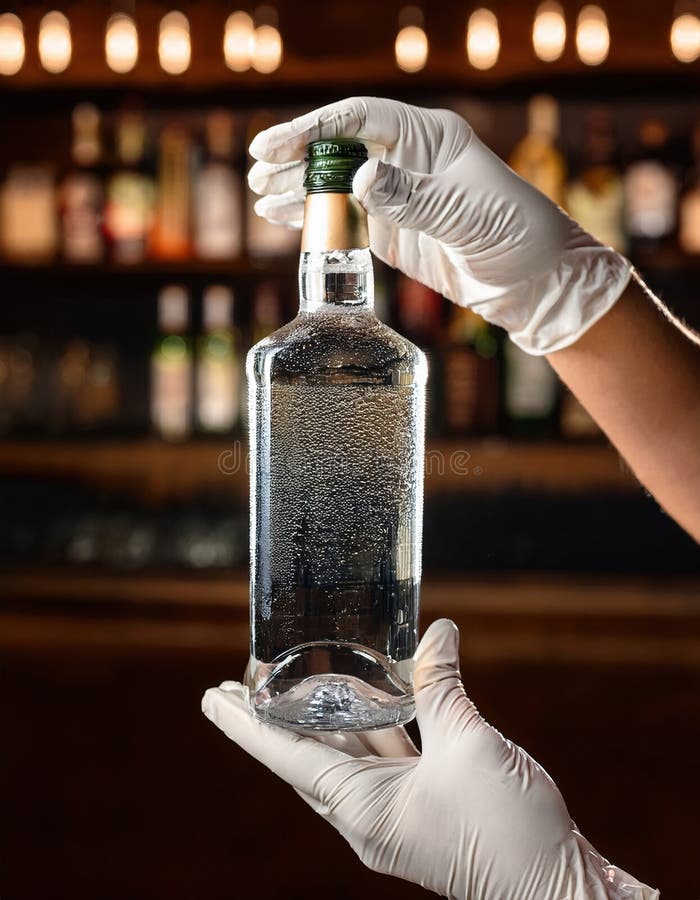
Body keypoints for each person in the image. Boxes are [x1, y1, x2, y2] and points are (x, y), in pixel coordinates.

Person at [202, 97, 700, 899]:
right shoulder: (281, 357)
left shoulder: (387, 357)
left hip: (386, 677)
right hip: (284, 669)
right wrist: (569, 296)